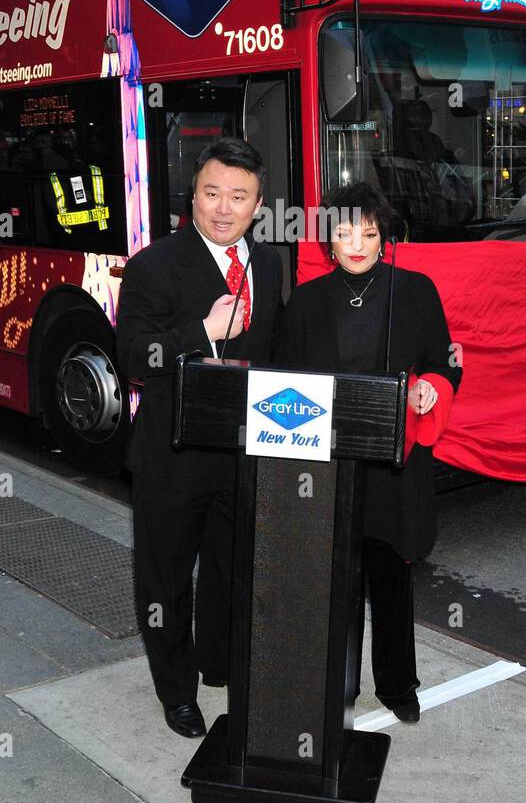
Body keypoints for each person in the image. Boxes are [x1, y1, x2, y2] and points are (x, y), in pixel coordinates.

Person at [275, 182, 461, 723]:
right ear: (327, 240)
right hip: (326, 466)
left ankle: (399, 685)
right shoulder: (307, 302)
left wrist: (431, 386)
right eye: (343, 232)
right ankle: (336, 685)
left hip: (393, 465)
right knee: (332, 580)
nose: (356, 244)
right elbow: (283, 383)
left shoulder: (417, 292)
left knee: (392, 577)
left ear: (385, 238)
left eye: (369, 233)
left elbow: (446, 362)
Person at [115, 139, 282, 738]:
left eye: (238, 197)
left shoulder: (271, 264)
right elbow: (133, 356)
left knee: (234, 572)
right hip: (173, 455)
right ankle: (177, 692)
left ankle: (221, 664)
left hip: (243, 453)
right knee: (165, 579)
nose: (223, 208)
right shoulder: (154, 265)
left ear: (258, 205)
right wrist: (201, 332)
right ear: (194, 196)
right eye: (212, 193)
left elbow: (275, 352)